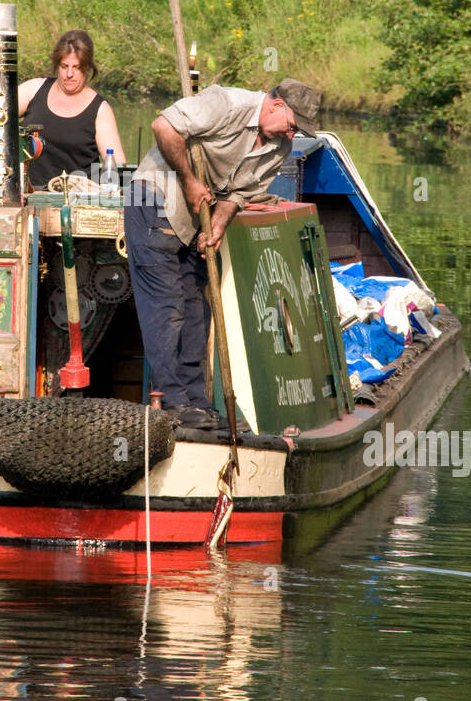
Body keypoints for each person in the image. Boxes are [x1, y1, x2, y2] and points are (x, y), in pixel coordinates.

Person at [124, 78, 321, 428]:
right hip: (155, 200)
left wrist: (217, 225)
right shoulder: (226, 104)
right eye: (291, 126)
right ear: (275, 106)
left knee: (196, 310)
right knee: (166, 307)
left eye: (297, 131)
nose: (291, 136)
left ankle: (196, 400)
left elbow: (238, 195)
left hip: (195, 220)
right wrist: (188, 180)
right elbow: (163, 126)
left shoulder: (278, 150)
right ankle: (171, 401)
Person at [19, 30, 126, 189]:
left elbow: (118, 167)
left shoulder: (100, 110)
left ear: (88, 68)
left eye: (76, 67)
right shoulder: (32, 90)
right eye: (64, 66)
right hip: (28, 194)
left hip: (79, 198)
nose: (69, 74)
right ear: (57, 64)